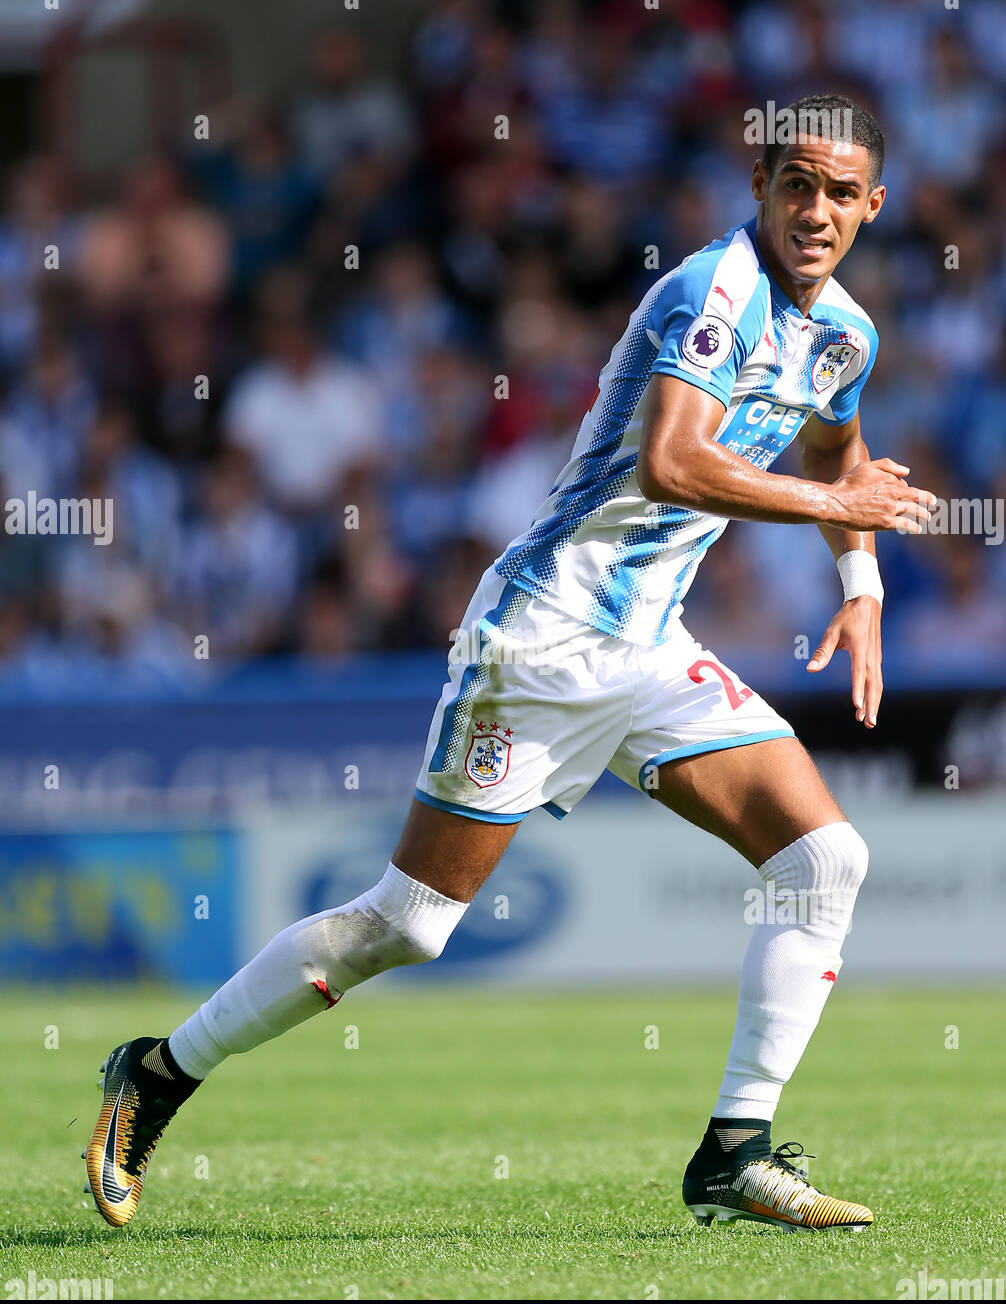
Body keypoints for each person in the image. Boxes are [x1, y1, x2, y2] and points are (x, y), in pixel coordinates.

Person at [84, 95, 936, 1232]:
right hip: (538, 641)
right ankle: (158, 1070)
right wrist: (834, 503)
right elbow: (674, 462)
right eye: (795, 185)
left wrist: (861, 581)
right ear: (761, 192)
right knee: (409, 922)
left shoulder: (846, 333)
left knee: (824, 858)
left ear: (872, 205)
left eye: (840, 193)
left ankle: (733, 1147)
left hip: (648, 646)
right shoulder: (708, 292)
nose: (815, 210)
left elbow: (840, 445)